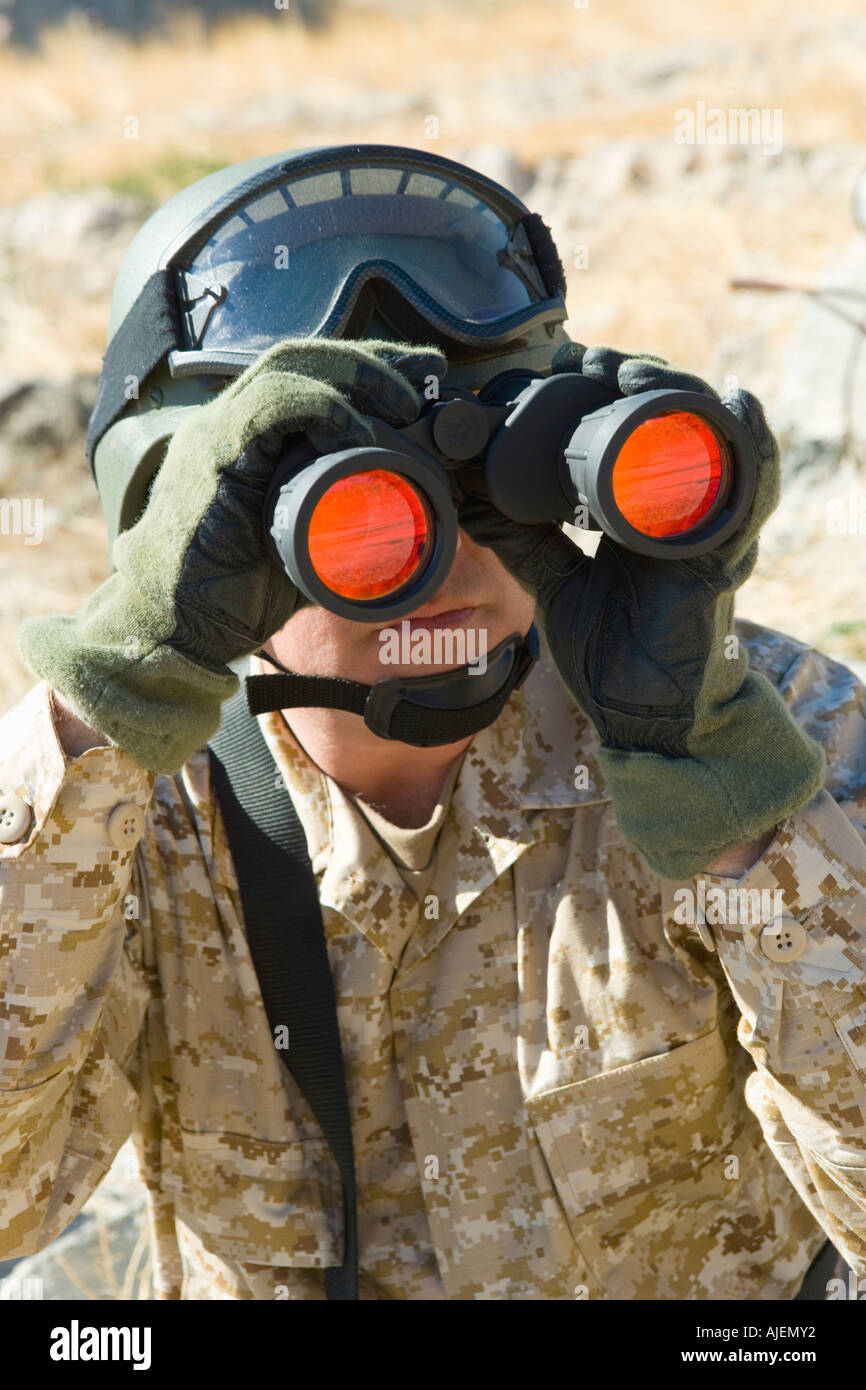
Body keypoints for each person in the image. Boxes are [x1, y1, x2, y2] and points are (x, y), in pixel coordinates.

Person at [1, 144, 864, 1301]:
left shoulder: (766, 734)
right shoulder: (117, 810)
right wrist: (113, 684)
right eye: (365, 529)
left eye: (483, 502)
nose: (443, 568)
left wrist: (719, 796)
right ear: (185, 537)